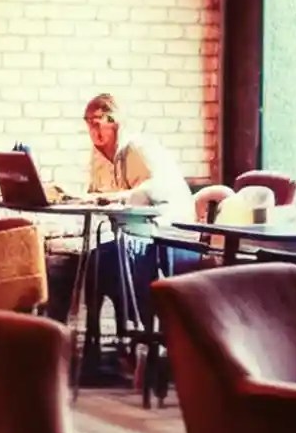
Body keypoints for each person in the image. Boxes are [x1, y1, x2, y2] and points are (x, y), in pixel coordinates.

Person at [58, 94, 196, 343]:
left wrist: (114, 197)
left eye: (99, 120)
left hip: (168, 233)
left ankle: (141, 336)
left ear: (115, 121)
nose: (93, 128)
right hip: (134, 230)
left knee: (120, 256)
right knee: (95, 261)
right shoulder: (99, 158)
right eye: (88, 122)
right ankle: (94, 346)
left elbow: (155, 190)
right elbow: (96, 194)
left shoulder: (138, 148)